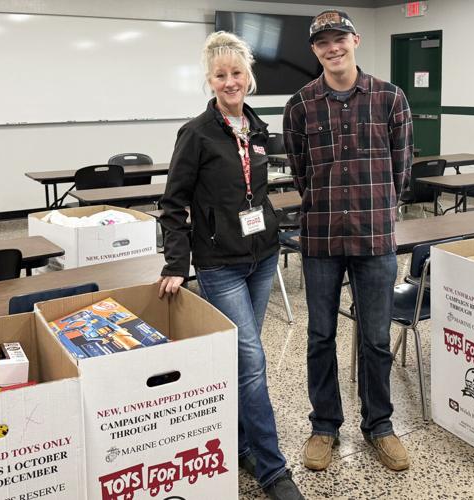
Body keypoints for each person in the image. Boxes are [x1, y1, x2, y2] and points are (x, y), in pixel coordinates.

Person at [157, 31, 304, 500]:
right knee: (254, 362)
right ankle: (272, 469)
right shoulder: (196, 134)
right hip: (220, 264)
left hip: (262, 258)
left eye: (236, 73)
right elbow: (173, 203)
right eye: (220, 75)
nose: (229, 81)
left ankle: (241, 443)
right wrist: (178, 263)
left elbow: (254, 193)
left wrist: (276, 233)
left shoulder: (257, 129)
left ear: (249, 78)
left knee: (245, 358)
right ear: (209, 80)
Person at [283, 10, 413, 473]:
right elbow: (302, 171)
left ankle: (380, 426)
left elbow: (401, 170)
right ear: (315, 50)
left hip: (375, 238)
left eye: (339, 39)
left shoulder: (390, 98)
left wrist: (376, 208)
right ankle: (324, 427)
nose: (332, 48)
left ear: (355, 40)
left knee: (376, 340)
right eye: (322, 42)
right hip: (320, 238)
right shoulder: (300, 105)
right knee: (320, 337)